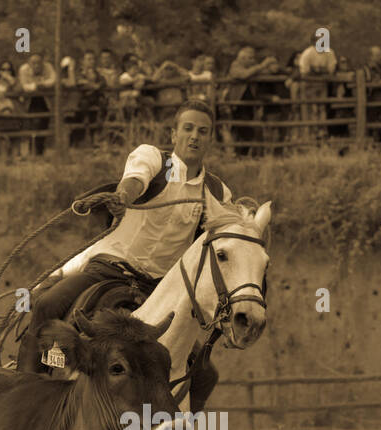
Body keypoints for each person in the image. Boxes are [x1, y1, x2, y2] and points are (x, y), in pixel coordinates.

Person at [16, 98, 235, 375]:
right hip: (108, 269)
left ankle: (181, 418)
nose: (194, 136)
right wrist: (123, 197)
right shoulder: (154, 158)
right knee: (48, 304)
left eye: (202, 131)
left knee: (205, 374)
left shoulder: (217, 192)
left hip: (157, 289)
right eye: (188, 128)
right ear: (174, 134)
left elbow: (225, 238)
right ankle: (27, 380)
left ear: (210, 139)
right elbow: (136, 178)